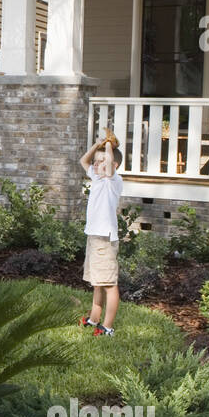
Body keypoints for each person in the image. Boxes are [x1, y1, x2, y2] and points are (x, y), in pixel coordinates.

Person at [79, 133, 124, 337]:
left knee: (108, 283)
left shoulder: (113, 181)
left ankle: (107, 327)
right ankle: (94, 319)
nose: (96, 165)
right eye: (96, 163)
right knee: (97, 281)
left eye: (101, 162)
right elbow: (83, 160)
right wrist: (97, 145)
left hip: (104, 239)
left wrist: (107, 145)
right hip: (94, 236)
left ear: (113, 165)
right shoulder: (97, 178)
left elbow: (108, 163)